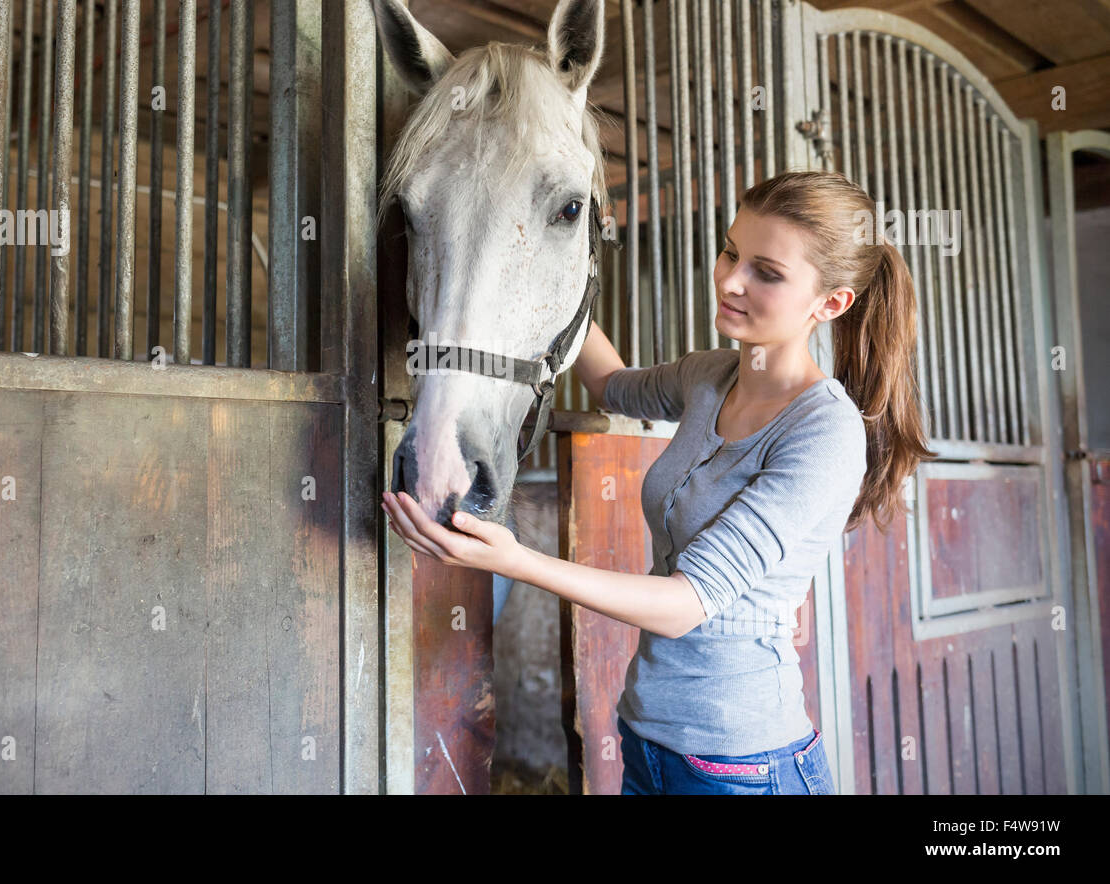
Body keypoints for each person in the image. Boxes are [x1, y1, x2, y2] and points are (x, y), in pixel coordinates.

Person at [382, 169, 937, 794]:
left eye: (767, 272)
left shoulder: (825, 434)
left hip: (742, 767)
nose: (729, 279)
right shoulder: (710, 377)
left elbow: (683, 606)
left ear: (830, 303)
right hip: (648, 742)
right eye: (731, 251)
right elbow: (609, 383)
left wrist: (517, 560)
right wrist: (540, 267)